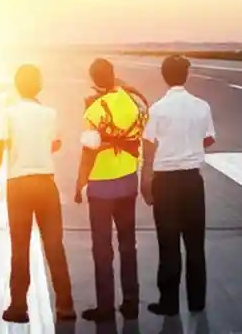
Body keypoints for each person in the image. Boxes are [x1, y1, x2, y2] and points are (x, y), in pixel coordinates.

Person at [0, 64, 75, 324]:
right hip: (45, 183)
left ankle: (18, 305)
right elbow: (56, 143)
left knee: (20, 246)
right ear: (40, 86)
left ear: (17, 86)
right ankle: (65, 304)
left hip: (19, 184)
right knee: (54, 246)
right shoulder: (50, 113)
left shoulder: (8, 114)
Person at [73, 58, 148, 321]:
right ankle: (131, 302)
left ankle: (105, 307)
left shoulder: (94, 109)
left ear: (93, 79)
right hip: (128, 181)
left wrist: (80, 182)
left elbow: (89, 150)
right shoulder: (134, 102)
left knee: (102, 248)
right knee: (128, 244)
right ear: (114, 75)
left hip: (101, 187)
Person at [141, 55, 216, 316]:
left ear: (164, 76)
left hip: (166, 182)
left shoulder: (158, 109)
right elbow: (209, 140)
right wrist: (190, 144)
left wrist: (146, 176)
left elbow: (148, 143)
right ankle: (197, 301)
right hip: (193, 182)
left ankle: (169, 302)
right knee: (195, 244)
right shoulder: (202, 106)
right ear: (187, 75)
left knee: (169, 244)